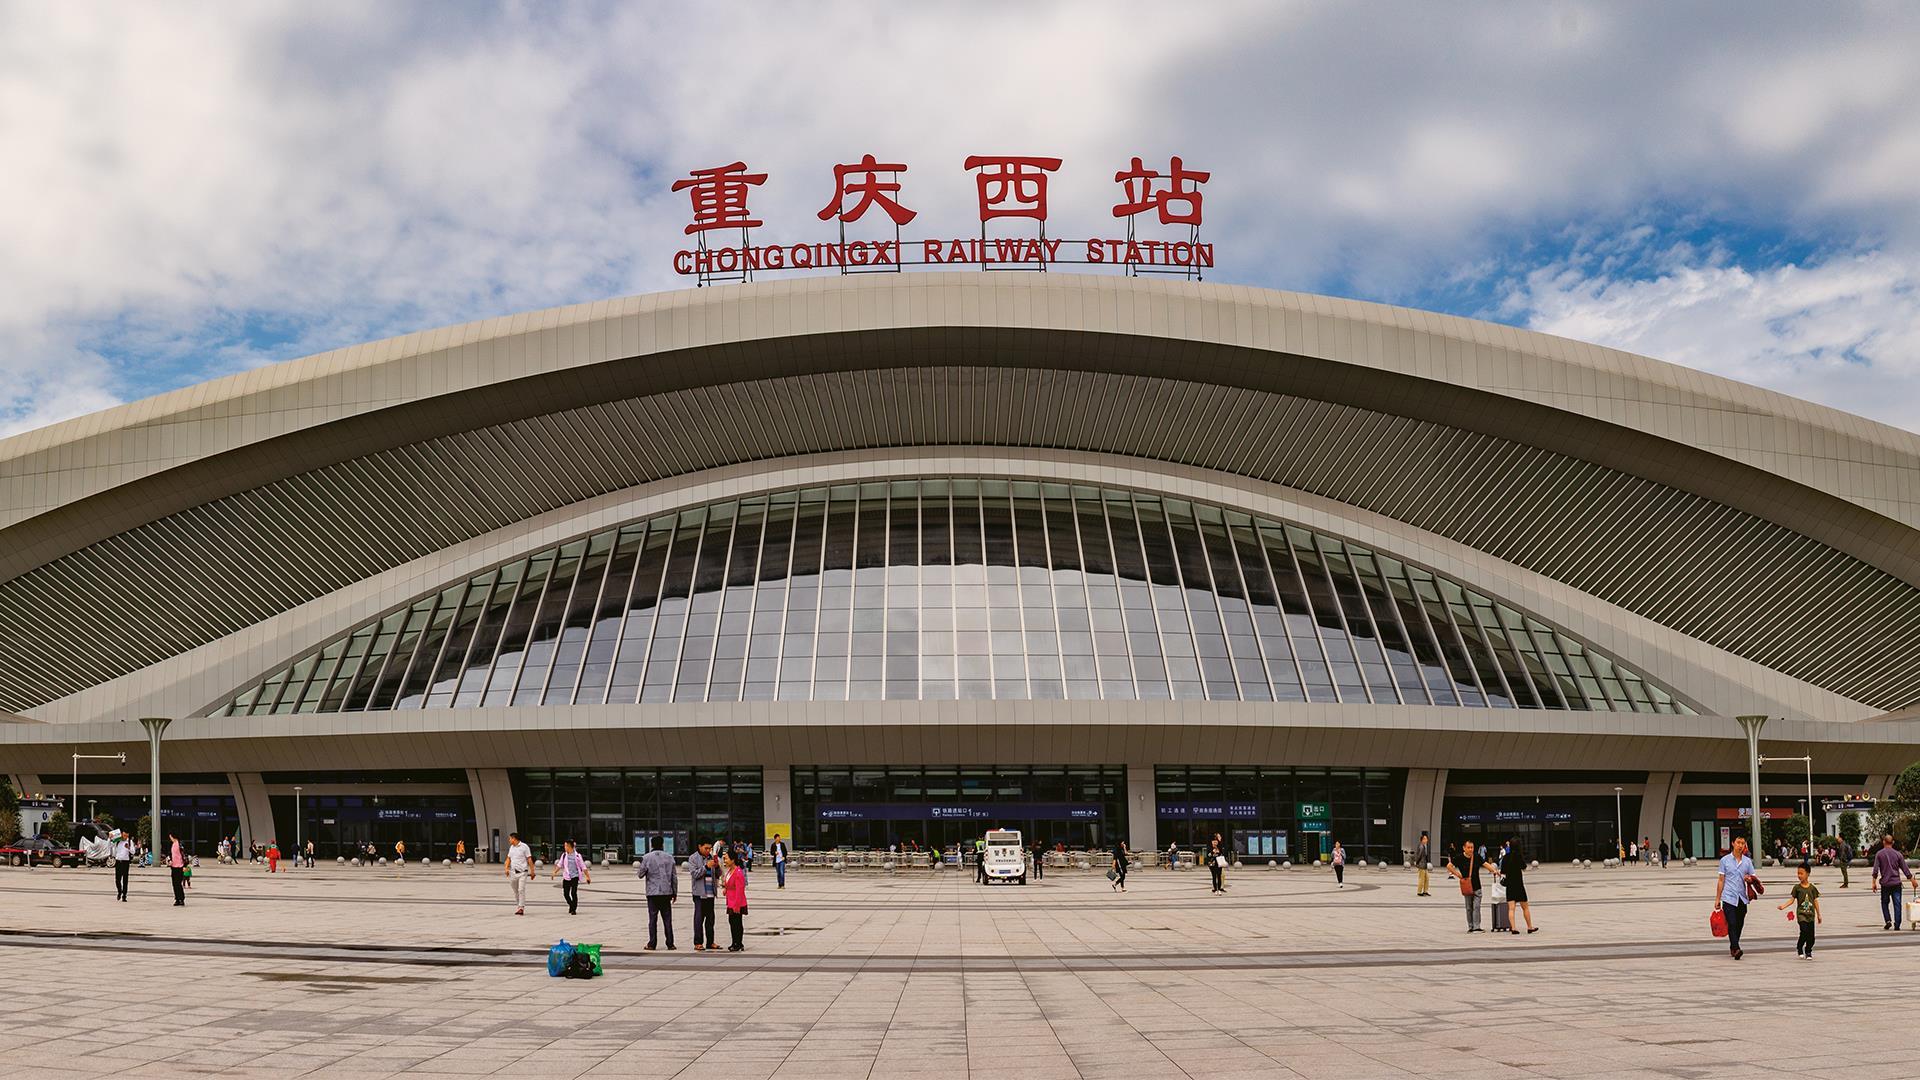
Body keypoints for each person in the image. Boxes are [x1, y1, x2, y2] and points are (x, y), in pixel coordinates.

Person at [1714, 835, 1755, 959]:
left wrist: (1749, 879)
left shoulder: (1747, 861)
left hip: (1742, 898)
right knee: (1731, 923)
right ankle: (1736, 948)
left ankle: (1733, 945)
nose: (1740, 845)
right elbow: (1721, 880)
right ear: (1733, 843)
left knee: (1739, 923)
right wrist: (1717, 899)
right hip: (1728, 897)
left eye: (1742, 843)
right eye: (1738, 842)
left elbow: (1753, 878)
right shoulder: (1725, 860)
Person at [1445, 840, 1494, 932]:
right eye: (1468, 847)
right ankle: (1470, 926)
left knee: (1476, 906)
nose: (1470, 849)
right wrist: (1458, 875)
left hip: (1477, 886)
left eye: (1472, 847)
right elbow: (1449, 866)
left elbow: (1485, 864)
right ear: (1464, 848)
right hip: (1467, 886)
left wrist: (1494, 871)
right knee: (1469, 907)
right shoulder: (1459, 857)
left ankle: (1476, 926)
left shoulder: (1476, 856)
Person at [639, 836, 677, 950]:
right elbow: (674, 877)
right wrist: (675, 892)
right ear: (662, 844)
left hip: (653, 893)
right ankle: (670, 943)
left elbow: (640, 874)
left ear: (651, 845)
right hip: (666, 892)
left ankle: (652, 943)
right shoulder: (670, 858)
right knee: (667, 919)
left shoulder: (646, 858)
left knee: (652, 919)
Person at [1778, 863, 1821, 960]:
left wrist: (1819, 914)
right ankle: (1800, 947)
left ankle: (1808, 950)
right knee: (1804, 931)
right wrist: (1783, 906)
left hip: (1811, 915)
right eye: (1798, 873)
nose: (1799, 875)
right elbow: (1792, 900)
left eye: (1801, 873)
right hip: (1801, 914)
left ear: (1808, 874)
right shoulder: (1797, 888)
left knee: (1811, 937)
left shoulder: (1812, 888)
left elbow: (1815, 901)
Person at [1871, 833, 1914, 930]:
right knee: (1897, 903)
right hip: (1896, 883)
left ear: (1883, 842)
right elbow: (1905, 869)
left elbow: (1875, 870)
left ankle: (1888, 920)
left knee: (1884, 903)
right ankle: (1897, 924)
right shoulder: (1898, 854)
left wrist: (1873, 883)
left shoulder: (1879, 854)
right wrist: (1912, 880)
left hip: (1885, 884)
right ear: (1893, 842)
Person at [1501, 837, 1538, 934]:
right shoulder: (1519, 856)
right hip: (1519, 884)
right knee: (1525, 907)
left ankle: (1513, 928)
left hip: (1509, 885)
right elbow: (1524, 867)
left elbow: (1503, 871)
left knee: (1511, 908)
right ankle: (1529, 927)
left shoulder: (1506, 857)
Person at [687, 840, 717, 950]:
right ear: (700, 846)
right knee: (699, 919)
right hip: (699, 893)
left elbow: (717, 875)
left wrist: (717, 867)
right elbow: (695, 874)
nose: (708, 850)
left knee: (710, 919)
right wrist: (706, 867)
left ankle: (710, 942)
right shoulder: (693, 858)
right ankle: (698, 942)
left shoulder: (711, 858)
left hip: (710, 893)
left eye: (710, 848)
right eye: (706, 848)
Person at [550, 839, 589, 915]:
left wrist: (588, 877)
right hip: (566, 876)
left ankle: (573, 909)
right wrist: (554, 872)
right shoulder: (564, 855)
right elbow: (559, 865)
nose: (564, 847)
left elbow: (583, 866)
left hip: (575, 876)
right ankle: (571, 905)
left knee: (573, 893)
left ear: (569, 846)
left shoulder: (577, 856)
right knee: (566, 894)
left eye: (565, 845)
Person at [721, 850, 748, 952]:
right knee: (732, 922)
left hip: (737, 902)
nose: (725, 861)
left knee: (737, 922)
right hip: (730, 900)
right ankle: (734, 942)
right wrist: (726, 890)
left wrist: (737, 905)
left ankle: (739, 943)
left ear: (733, 860)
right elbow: (729, 884)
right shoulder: (729, 871)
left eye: (726, 858)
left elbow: (740, 890)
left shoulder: (738, 872)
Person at [504, 831, 532, 915]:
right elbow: (508, 858)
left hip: (523, 872)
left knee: (521, 890)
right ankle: (518, 905)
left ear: (514, 838)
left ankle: (521, 908)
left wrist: (533, 871)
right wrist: (506, 868)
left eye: (510, 838)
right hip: (513, 872)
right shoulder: (511, 848)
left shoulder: (524, 847)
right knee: (515, 891)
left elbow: (529, 859)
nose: (509, 840)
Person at [167, 832, 187, 906]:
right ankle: (177, 899)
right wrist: (169, 860)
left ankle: (181, 898)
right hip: (173, 866)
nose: (170, 839)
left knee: (178, 883)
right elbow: (170, 854)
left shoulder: (180, 844)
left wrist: (185, 866)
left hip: (180, 866)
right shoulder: (172, 845)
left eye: (170, 837)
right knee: (174, 884)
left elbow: (184, 855)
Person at [112, 831, 132, 902]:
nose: (125, 837)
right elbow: (111, 846)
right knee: (117, 879)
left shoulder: (129, 841)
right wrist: (110, 838)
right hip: (118, 862)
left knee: (125, 880)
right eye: (123, 835)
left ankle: (124, 896)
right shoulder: (117, 841)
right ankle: (119, 891)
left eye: (126, 836)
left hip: (125, 862)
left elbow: (133, 851)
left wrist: (129, 847)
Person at [1415, 831, 1431, 897]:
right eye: (1425, 839)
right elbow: (1419, 855)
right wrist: (1417, 862)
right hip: (1421, 864)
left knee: (1427, 878)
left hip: (1425, 864)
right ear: (1422, 840)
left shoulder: (1425, 846)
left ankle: (1425, 891)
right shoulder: (1421, 846)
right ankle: (1419, 891)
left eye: (1426, 838)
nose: (1426, 840)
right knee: (1421, 878)